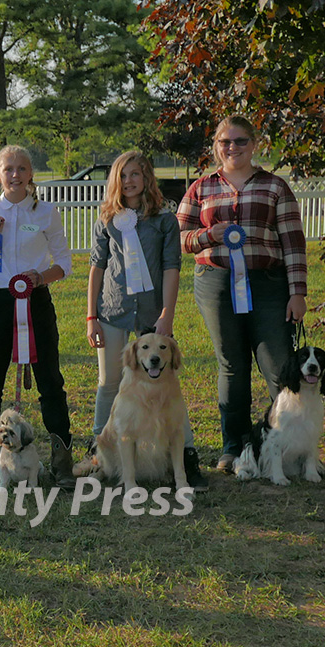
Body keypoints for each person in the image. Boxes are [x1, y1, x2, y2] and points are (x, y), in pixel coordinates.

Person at [177, 115, 307, 473]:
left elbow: (293, 243)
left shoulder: (275, 186)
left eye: (240, 141)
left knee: (278, 366)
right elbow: (178, 236)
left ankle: (286, 447)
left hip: (269, 286)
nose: (232, 148)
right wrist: (208, 235)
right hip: (216, 284)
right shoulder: (201, 187)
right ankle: (234, 447)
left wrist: (297, 292)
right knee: (232, 367)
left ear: (254, 144)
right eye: (225, 142)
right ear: (216, 146)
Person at [85, 151, 208, 491]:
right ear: (115, 180)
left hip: (152, 313)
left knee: (168, 384)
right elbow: (97, 266)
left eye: (135, 174)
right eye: (122, 176)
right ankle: (100, 451)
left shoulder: (164, 220)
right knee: (109, 383)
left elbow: (171, 267)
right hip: (113, 309)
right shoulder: (106, 219)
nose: (129, 181)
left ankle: (187, 454)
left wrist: (167, 313)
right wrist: (91, 315)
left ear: (147, 177)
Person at [0, 144, 76, 488]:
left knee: (50, 381)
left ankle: (62, 462)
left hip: (35, 300)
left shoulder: (46, 212)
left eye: (22, 168)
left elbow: (64, 263)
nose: (15, 175)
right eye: (8, 169)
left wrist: (40, 277)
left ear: (31, 174)